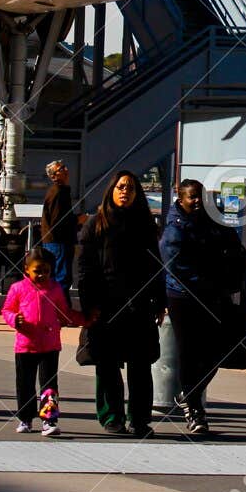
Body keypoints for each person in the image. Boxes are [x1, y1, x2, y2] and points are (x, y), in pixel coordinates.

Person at [74, 169, 166, 437]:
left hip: (138, 306)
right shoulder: (96, 224)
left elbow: (156, 265)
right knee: (107, 364)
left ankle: (139, 419)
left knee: (140, 365)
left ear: (137, 194)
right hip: (106, 305)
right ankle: (112, 416)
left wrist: (159, 301)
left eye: (130, 188)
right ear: (112, 190)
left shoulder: (146, 225)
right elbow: (84, 268)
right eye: (121, 187)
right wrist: (89, 304)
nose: (125, 191)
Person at [159, 179, 244, 438]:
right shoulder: (175, 229)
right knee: (189, 351)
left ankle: (189, 393)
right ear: (180, 198)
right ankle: (195, 409)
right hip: (183, 297)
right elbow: (175, 266)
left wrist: (230, 276)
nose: (197, 201)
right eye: (192, 197)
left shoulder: (213, 222)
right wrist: (209, 281)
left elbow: (232, 248)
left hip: (211, 295)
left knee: (218, 348)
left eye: (200, 197)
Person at [1, 250, 80, 436]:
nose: (42, 275)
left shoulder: (55, 289)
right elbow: (6, 310)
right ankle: (25, 418)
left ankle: (49, 419)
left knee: (49, 384)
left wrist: (82, 319)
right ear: (26, 269)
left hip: (49, 345)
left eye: (46, 271)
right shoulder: (18, 288)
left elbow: (64, 312)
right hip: (25, 345)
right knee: (24, 383)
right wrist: (14, 319)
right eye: (38, 271)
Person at [39, 160, 78, 296]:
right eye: (61, 168)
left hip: (54, 242)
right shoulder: (58, 192)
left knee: (57, 279)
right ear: (54, 176)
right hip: (59, 242)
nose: (66, 169)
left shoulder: (60, 191)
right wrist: (78, 219)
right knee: (62, 279)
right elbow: (58, 221)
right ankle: (60, 312)